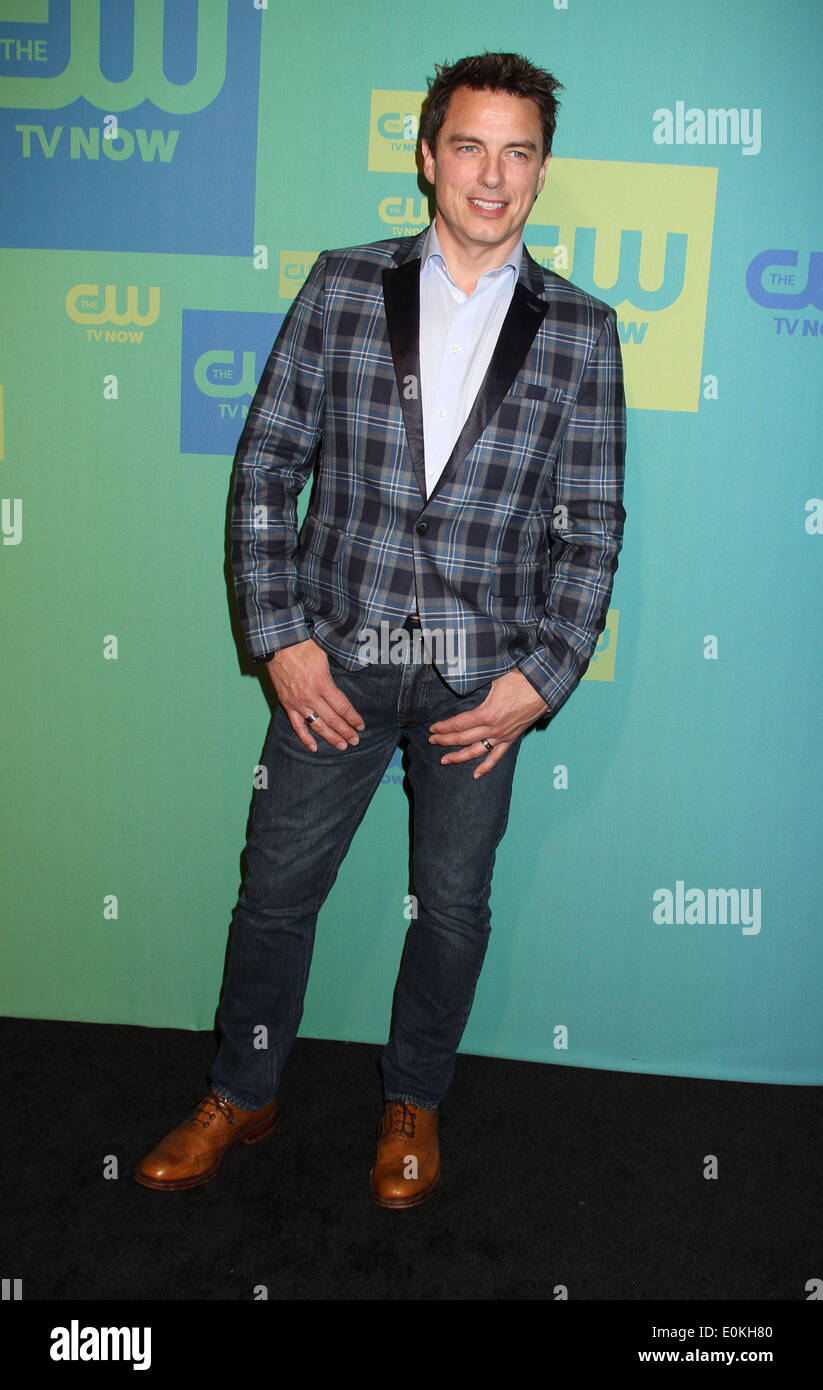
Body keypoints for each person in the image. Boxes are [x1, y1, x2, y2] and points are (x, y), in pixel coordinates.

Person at [136, 51, 626, 1208]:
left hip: (477, 684)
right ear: (426, 156)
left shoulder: (581, 330)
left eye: (516, 152)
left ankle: (413, 1100)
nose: (491, 175)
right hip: (336, 657)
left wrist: (540, 679)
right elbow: (265, 466)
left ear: (542, 170)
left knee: (452, 904)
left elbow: (593, 524)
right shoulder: (343, 284)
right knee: (274, 891)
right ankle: (241, 1092)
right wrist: (284, 638)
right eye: (469, 146)